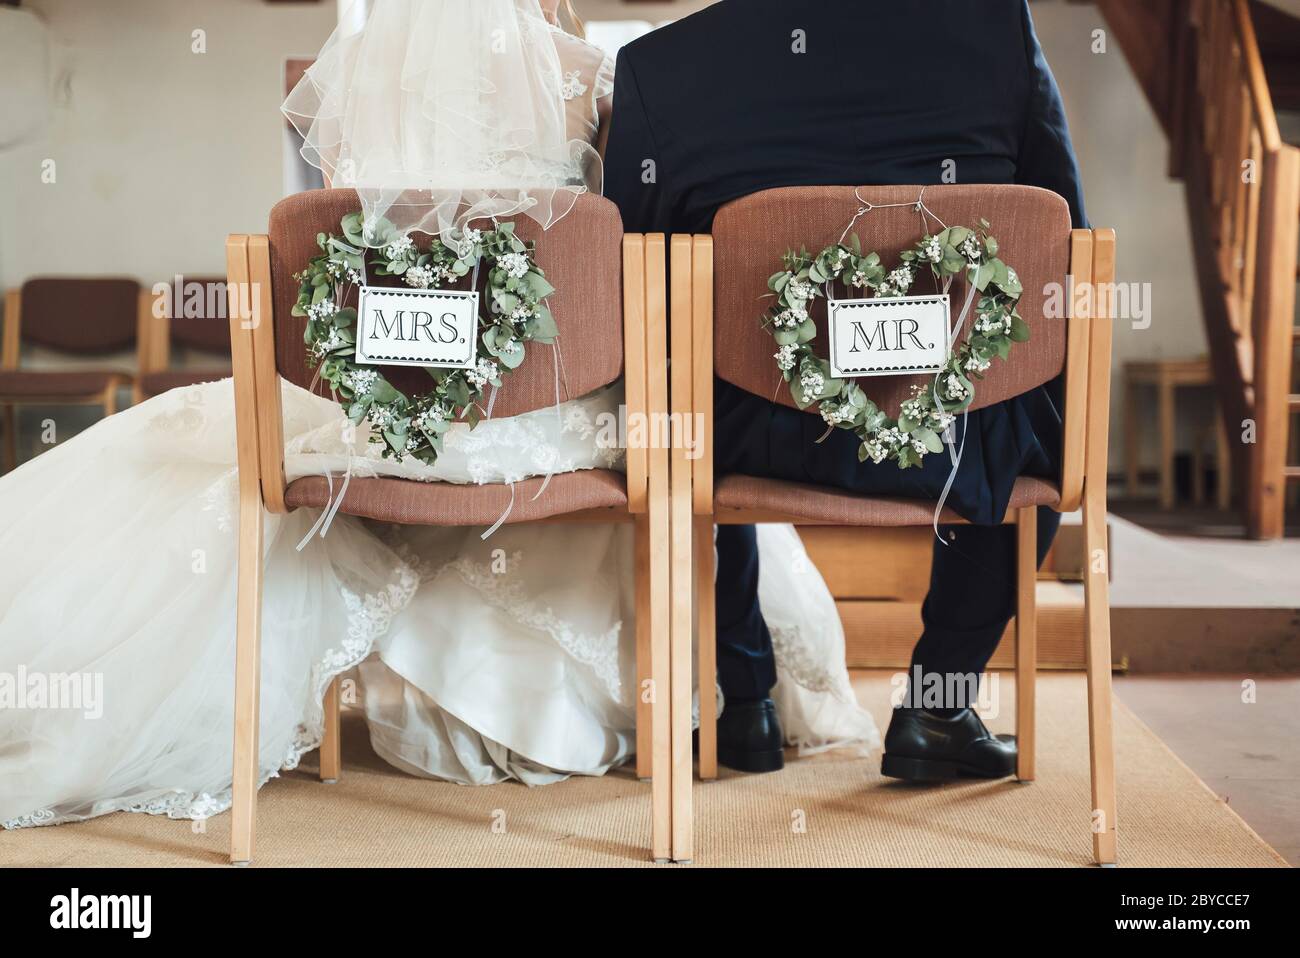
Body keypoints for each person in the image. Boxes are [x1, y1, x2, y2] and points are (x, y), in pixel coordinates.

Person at [0, 0, 874, 832]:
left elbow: (350, 266)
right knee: (666, 427)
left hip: (386, 425)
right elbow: (599, 263)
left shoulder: (360, 82)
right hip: (540, 431)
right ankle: (719, 698)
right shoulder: (581, 80)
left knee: (206, 447)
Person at [604, 0, 1086, 780]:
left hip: (749, 438)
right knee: (1034, 409)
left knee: (683, 386)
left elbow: (636, 286)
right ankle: (937, 706)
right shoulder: (994, 32)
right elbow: (1069, 243)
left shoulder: (660, 67)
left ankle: (745, 702)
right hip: (959, 437)